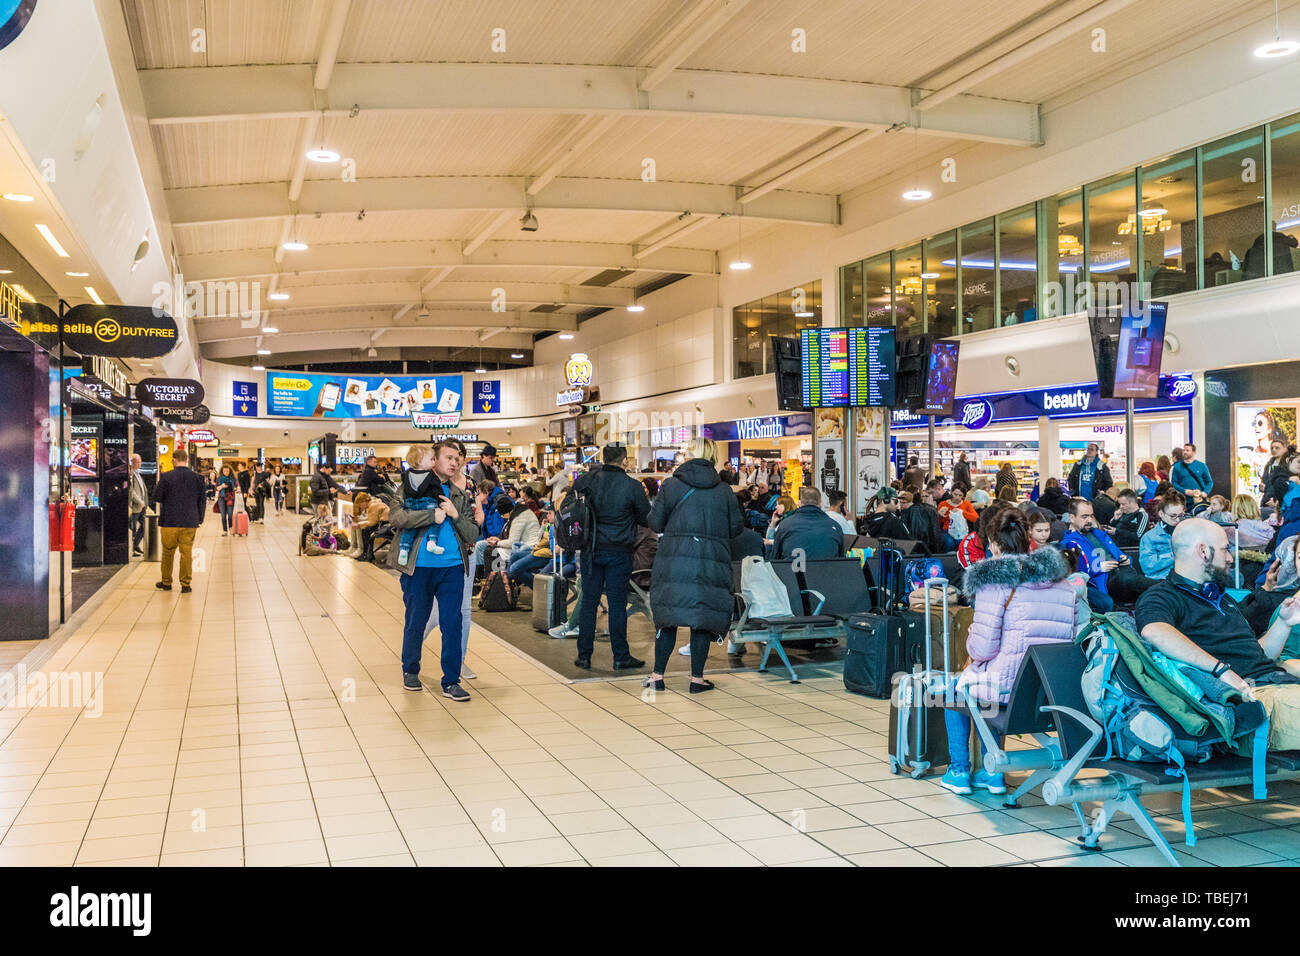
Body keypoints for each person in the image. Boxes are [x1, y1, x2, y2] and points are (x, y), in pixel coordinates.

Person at [939, 508, 1077, 796]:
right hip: (1051, 694)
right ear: (1029, 540)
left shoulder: (995, 582)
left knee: (956, 688)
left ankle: (959, 771)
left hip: (1008, 692)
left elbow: (982, 649)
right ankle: (993, 775)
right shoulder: (1064, 583)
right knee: (982, 686)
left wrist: (970, 643)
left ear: (995, 544)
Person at [1136, 518, 1300, 750]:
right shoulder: (1161, 597)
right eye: (1225, 549)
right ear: (1203, 551)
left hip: (1278, 687)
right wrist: (1221, 670)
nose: (1231, 557)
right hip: (1247, 704)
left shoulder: (1223, 598)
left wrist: (1284, 623)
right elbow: (1154, 632)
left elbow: (1261, 654)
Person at [644, 438, 744, 693]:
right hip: (711, 561)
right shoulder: (723, 490)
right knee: (703, 616)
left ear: (689, 455)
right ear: (712, 456)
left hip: (673, 560)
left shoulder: (671, 485)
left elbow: (655, 523)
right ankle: (696, 679)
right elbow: (736, 528)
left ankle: (657, 677)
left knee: (668, 616)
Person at [389, 441, 480, 701]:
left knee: (453, 624)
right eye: (449, 458)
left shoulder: (460, 494)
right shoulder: (409, 487)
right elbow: (396, 517)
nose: (455, 463)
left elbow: (473, 532)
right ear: (433, 460)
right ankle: (410, 670)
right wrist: (431, 517)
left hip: (452, 567)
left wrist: (454, 514)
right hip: (418, 566)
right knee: (416, 622)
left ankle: (451, 681)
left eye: (458, 458)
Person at [571, 444, 651, 671]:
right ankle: (620, 656)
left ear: (604, 458)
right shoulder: (633, 486)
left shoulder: (586, 480)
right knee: (617, 604)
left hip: (590, 549)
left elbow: (569, 506)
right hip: (619, 552)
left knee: (588, 601)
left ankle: (584, 655)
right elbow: (646, 518)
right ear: (624, 460)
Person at [1061, 497, 1155, 611]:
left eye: (1091, 516)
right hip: (1104, 581)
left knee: (1134, 581)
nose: (1089, 520)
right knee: (1132, 581)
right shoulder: (1069, 543)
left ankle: (1162, 588)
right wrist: (1099, 568)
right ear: (1072, 517)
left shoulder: (1100, 534)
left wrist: (1126, 559)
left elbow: (1119, 553)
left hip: (1121, 572)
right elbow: (1075, 574)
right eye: (1084, 517)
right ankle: (1163, 585)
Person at [150, 448, 206, 594]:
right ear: (187, 460)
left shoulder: (166, 477)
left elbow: (156, 497)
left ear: (174, 460)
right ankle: (185, 584)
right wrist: (199, 518)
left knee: (168, 552)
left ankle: (166, 582)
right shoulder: (198, 478)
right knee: (186, 553)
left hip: (170, 521)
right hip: (189, 521)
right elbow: (202, 501)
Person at [770, 487, 845, 560]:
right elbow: (841, 559)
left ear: (799, 503)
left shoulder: (785, 525)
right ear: (820, 503)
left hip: (793, 571)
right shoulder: (835, 526)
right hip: (827, 571)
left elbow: (775, 559)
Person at [1138, 490, 1186, 579]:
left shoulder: (1186, 534)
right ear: (1161, 514)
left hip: (1183, 581)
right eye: (1173, 516)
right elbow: (1148, 566)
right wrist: (1177, 556)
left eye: (1180, 515)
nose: (1177, 520)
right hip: (1160, 581)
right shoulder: (1149, 537)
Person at [898, 489, 943, 553]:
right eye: (900, 502)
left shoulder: (914, 512)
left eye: (903, 503)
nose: (901, 505)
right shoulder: (913, 511)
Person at [351, 491, 390, 562]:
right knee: (366, 529)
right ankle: (367, 554)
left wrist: (358, 524)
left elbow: (371, 522)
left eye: (360, 505)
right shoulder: (375, 502)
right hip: (386, 524)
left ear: (364, 502)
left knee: (365, 531)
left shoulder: (373, 506)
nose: (361, 507)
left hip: (386, 525)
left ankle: (367, 554)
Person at [1262, 439, 1292, 508]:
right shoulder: (1269, 465)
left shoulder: (1290, 466)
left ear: (1285, 449)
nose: (1274, 450)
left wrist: (1278, 504)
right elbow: (1265, 484)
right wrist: (1263, 487)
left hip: (1282, 507)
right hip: (1266, 505)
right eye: (1272, 448)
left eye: (1277, 448)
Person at [128, 454, 148, 556]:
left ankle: (135, 545)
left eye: (140, 461)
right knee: (133, 527)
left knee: (144, 525)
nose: (139, 464)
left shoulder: (138, 474)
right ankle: (132, 548)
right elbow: (131, 491)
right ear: (132, 462)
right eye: (137, 462)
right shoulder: (131, 474)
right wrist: (139, 501)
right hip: (135, 506)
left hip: (142, 506)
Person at [215, 464, 237, 535]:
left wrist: (236, 488)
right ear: (222, 471)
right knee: (223, 515)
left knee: (230, 514)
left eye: (227, 471)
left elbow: (237, 486)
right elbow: (217, 488)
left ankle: (231, 528)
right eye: (224, 471)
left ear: (230, 471)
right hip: (221, 498)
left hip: (230, 498)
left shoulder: (233, 478)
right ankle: (224, 530)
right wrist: (222, 486)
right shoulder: (219, 479)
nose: (226, 472)